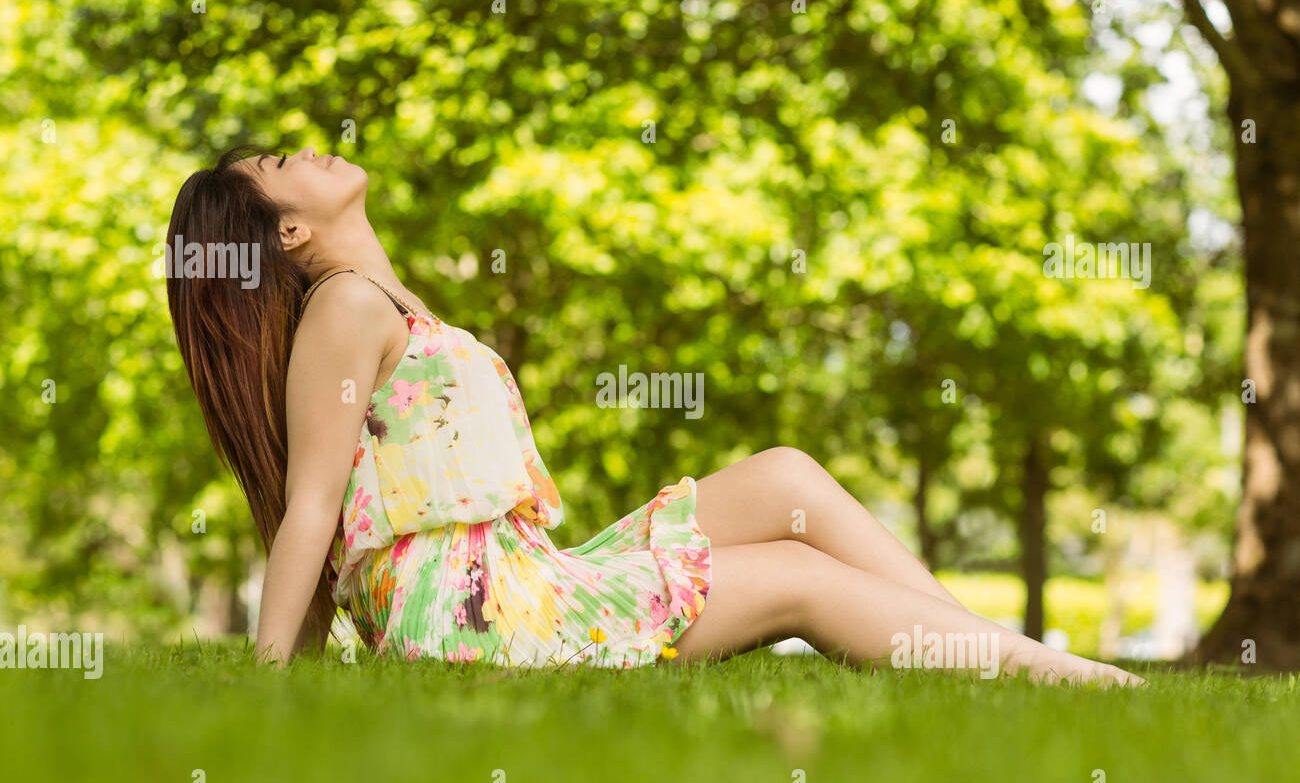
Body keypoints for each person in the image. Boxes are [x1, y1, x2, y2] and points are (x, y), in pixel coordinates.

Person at [165, 145, 1143, 687]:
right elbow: (310, 510)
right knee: (798, 575)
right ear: (289, 229)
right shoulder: (340, 309)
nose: (303, 144)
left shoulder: (379, 302)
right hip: (476, 619)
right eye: (278, 160)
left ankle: (986, 656)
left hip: (510, 582)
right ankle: (1073, 682)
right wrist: (271, 681)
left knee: (786, 478)